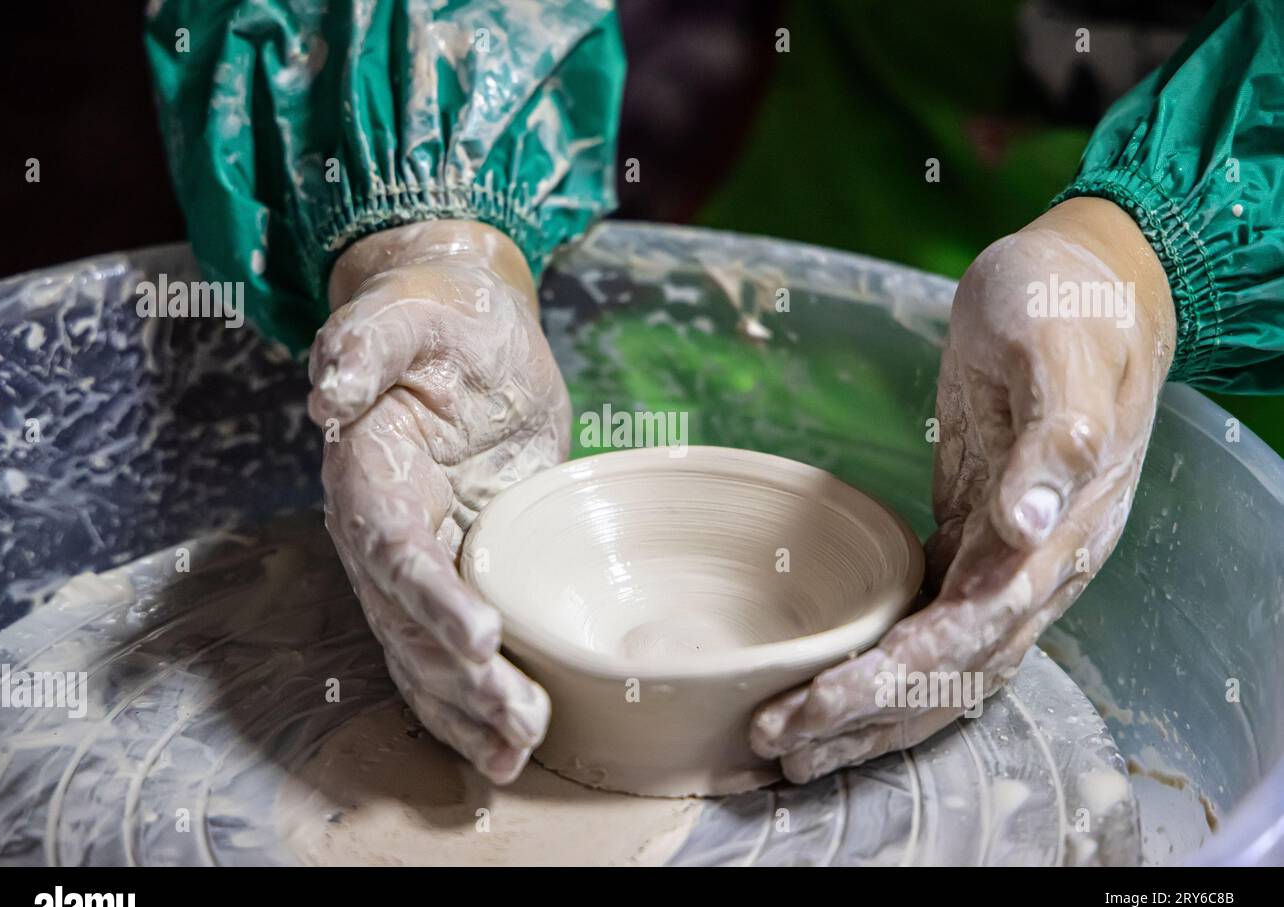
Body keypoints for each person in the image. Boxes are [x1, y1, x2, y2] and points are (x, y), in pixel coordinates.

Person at [145, 0, 1284, 786]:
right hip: (830, 215)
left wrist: (1133, 266)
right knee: (492, 448)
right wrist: (431, 238)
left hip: (1234, 313)